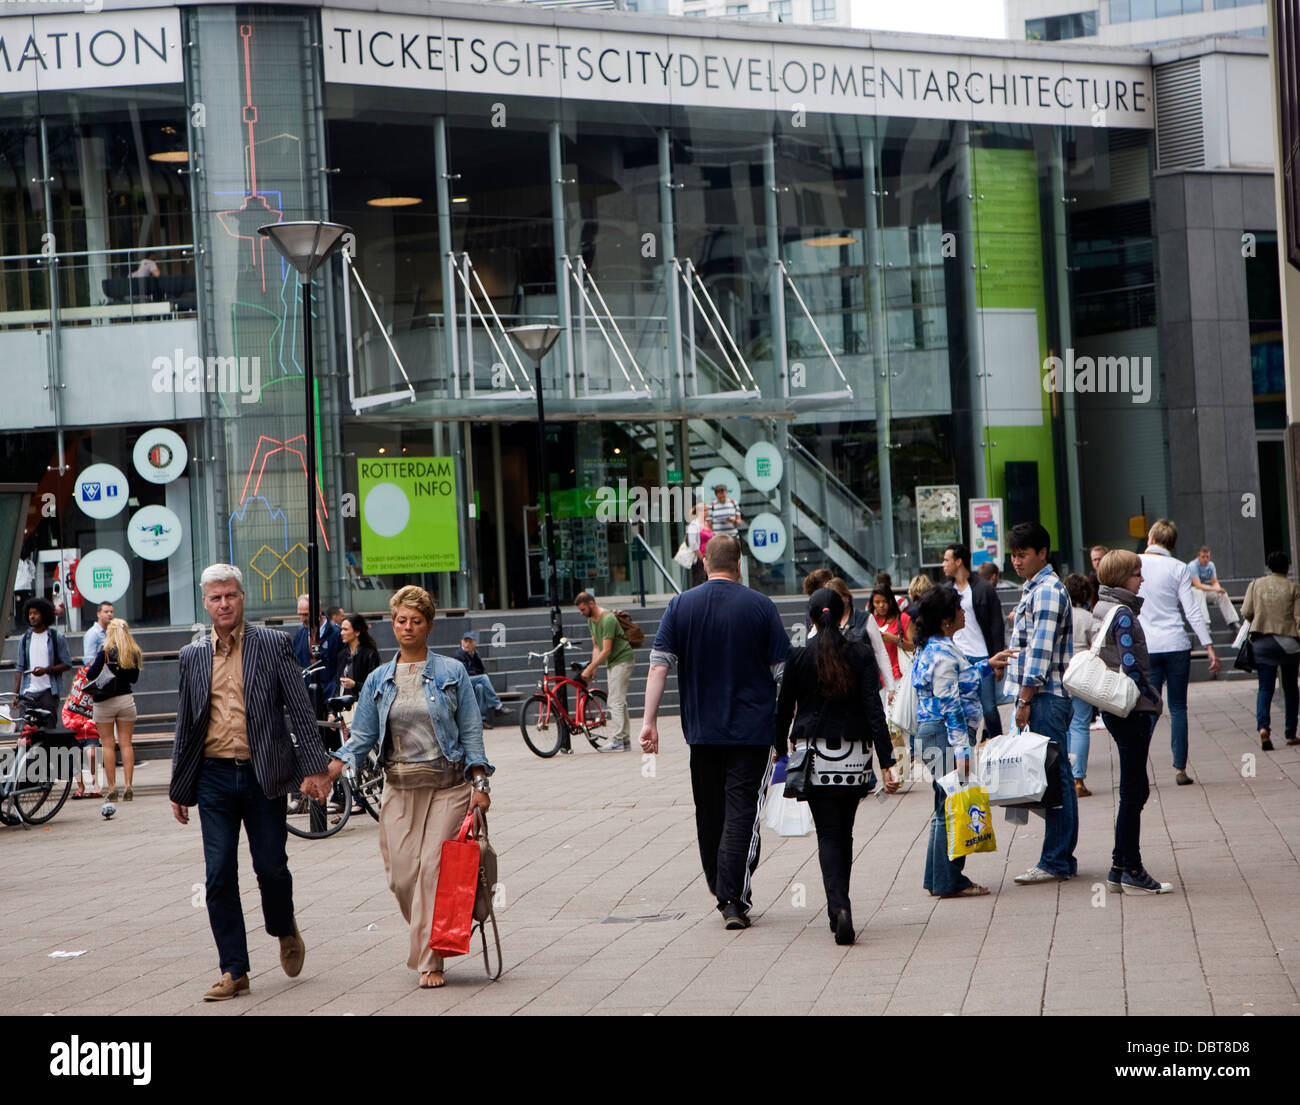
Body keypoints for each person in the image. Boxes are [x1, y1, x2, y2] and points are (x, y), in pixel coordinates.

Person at [170, 564, 332, 1002]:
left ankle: (284, 926)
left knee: (272, 869)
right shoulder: (192, 656)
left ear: (243, 598)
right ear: (205, 603)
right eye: (216, 597)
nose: (224, 604)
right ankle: (234, 970)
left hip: (265, 774)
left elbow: (298, 707)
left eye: (231, 595)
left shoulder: (273, 644)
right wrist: (178, 788)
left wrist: (315, 768)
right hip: (213, 777)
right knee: (219, 874)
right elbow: (186, 724)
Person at [326, 586, 492, 990]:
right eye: (401, 620)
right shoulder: (379, 680)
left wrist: (480, 781)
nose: (407, 627)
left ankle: (430, 959)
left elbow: (470, 731)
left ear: (429, 626)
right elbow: (363, 733)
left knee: (433, 869)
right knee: (402, 877)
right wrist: (332, 767)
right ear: (392, 623)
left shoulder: (452, 673)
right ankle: (436, 925)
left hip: (448, 786)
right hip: (399, 788)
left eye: (416, 621)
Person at [639, 535, 789, 930]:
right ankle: (733, 898)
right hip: (752, 734)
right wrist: (787, 727)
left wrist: (648, 722)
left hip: (701, 734)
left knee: (710, 814)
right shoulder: (761, 606)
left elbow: (658, 666)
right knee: (743, 814)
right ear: (739, 566)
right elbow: (783, 674)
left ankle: (722, 887)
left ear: (705, 564)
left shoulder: (679, 605)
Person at [773, 588, 899, 944]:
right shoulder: (859, 653)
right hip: (856, 757)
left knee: (828, 833)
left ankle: (839, 908)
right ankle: (839, 903)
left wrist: (778, 747)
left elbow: (783, 708)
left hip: (816, 758)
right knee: (845, 832)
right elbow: (874, 710)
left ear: (810, 618)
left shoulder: (798, 656)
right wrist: (887, 760)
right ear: (845, 614)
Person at [911, 586, 1014, 898]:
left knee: (943, 807)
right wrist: (963, 752)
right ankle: (949, 880)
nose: (964, 612)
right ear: (945, 619)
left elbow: (961, 676)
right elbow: (951, 707)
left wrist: (986, 664)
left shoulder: (936, 647)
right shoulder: (941, 654)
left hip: (936, 733)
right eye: (958, 608)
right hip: (945, 735)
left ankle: (937, 878)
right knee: (952, 808)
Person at [1093, 550, 1173, 894]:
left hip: (1112, 708)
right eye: (1137, 573)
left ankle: (1118, 865)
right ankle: (1132, 869)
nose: (1142, 579)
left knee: (1134, 788)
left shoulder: (1103, 607)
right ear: (1123, 577)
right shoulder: (1123, 613)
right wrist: (1152, 696)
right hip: (1131, 708)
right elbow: (1130, 661)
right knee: (1133, 790)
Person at [1004, 521, 1079, 886]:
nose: (1016, 561)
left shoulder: (1047, 590)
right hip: (1044, 696)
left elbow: (1040, 653)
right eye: (1013, 555)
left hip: (1046, 696)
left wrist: (1024, 698)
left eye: (1023, 555)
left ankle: (1055, 860)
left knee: (1056, 778)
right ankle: (1060, 857)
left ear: (1042, 553)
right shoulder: (1035, 589)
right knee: (1055, 777)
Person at [1138, 519, 1218, 786]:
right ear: (1172, 543)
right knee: (1178, 707)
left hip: (1147, 647)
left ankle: (1137, 768)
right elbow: (1191, 611)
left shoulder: (1134, 563)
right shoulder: (1180, 568)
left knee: (1148, 708)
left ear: (1150, 538)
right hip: (1176, 644)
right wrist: (1208, 646)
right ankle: (1180, 769)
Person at [942, 543, 1007, 741]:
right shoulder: (946, 591)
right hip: (958, 657)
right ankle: (965, 748)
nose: (943, 564)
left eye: (946, 560)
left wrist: (999, 661)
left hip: (982, 655)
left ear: (959, 561)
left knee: (988, 707)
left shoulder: (983, 588)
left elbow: (997, 624)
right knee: (960, 708)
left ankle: (999, 745)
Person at [1240, 550, 1300, 750]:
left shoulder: (1256, 584)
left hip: (1263, 644)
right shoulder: (1293, 588)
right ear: (1287, 568)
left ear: (1269, 567)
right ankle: (1290, 733)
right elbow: (1298, 618)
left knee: (1265, 688)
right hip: (1288, 644)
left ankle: (1263, 728)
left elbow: (1246, 611)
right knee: (1291, 687)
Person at [87, 618, 142, 811]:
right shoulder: (133, 651)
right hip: (126, 701)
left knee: (108, 745)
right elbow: (134, 679)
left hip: (104, 703)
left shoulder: (105, 651)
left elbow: (91, 675)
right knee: (126, 743)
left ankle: (112, 788)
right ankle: (129, 785)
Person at [575, 592, 635, 751]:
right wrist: (593, 667)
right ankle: (625, 740)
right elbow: (596, 646)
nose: (581, 613)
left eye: (583, 609)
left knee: (615, 701)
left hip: (622, 659)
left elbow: (606, 650)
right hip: (613, 662)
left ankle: (619, 740)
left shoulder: (607, 618)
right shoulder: (591, 621)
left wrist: (590, 668)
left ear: (591, 604)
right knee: (619, 701)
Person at [1063, 573, 1096, 798]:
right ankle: (1078, 779)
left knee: (1063, 726)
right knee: (1080, 725)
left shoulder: (1060, 614)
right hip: (1082, 673)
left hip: (1061, 673)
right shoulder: (1088, 617)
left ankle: (1064, 777)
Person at [14, 597, 72, 722]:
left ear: (44, 614)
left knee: (48, 731)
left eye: (36, 613)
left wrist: (46, 670)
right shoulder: (25, 639)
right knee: (26, 732)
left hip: (49, 692)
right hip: (27, 692)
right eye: (30, 613)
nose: (32, 616)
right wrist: (16, 695)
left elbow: (67, 664)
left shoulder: (57, 637)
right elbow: (20, 668)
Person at [293, 593, 342, 703]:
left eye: (306, 615)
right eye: (300, 615)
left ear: (318, 611)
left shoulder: (336, 633)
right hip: (306, 697)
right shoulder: (300, 634)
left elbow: (341, 667)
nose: (302, 619)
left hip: (329, 696)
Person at [452, 631, 504, 726]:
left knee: (480, 687)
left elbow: (481, 669)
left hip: (471, 681)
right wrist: (476, 675)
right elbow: (464, 674)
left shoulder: (474, 654)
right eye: (466, 641)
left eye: (470, 642)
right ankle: (497, 705)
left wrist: (474, 655)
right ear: (462, 642)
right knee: (483, 678)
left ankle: (481, 719)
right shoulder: (459, 654)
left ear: (474, 643)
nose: (468, 644)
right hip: (461, 682)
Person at [1187, 545, 1240, 629]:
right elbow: (1197, 585)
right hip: (1190, 592)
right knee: (1199, 592)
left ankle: (1233, 622)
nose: (1205, 559)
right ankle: (1205, 624)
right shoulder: (1192, 566)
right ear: (1198, 557)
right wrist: (1215, 588)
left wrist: (1218, 589)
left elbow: (1215, 582)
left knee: (1222, 594)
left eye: (1207, 557)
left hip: (1203, 590)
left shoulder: (1211, 565)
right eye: (1203, 557)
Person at [870, 585, 912, 683]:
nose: (881, 605)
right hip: (877, 678)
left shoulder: (903, 619)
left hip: (899, 676)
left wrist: (895, 639)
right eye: (877, 602)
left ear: (891, 601)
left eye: (884, 601)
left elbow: (914, 647)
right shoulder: (870, 621)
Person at [336, 613, 381, 700]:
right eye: (341, 629)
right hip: (344, 706)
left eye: (345, 629)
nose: (341, 633)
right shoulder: (342, 655)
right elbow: (337, 684)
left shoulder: (369, 655)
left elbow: (375, 686)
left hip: (362, 705)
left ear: (357, 632)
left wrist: (355, 685)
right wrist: (332, 711)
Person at [685, 502, 712, 589]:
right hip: (699, 559)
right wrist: (702, 558)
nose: (707, 512)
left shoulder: (707, 524)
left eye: (707, 510)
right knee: (699, 581)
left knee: (709, 580)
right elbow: (693, 544)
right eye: (704, 510)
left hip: (709, 558)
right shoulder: (693, 525)